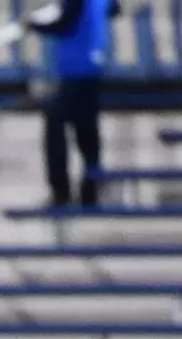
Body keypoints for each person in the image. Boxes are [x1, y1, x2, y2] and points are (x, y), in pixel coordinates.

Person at [30, 0, 118, 208]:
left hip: (76, 68)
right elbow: (114, 9)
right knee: (86, 127)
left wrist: (33, 24)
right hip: (92, 66)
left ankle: (61, 190)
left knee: (55, 120)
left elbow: (63, 22)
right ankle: (90, 188)